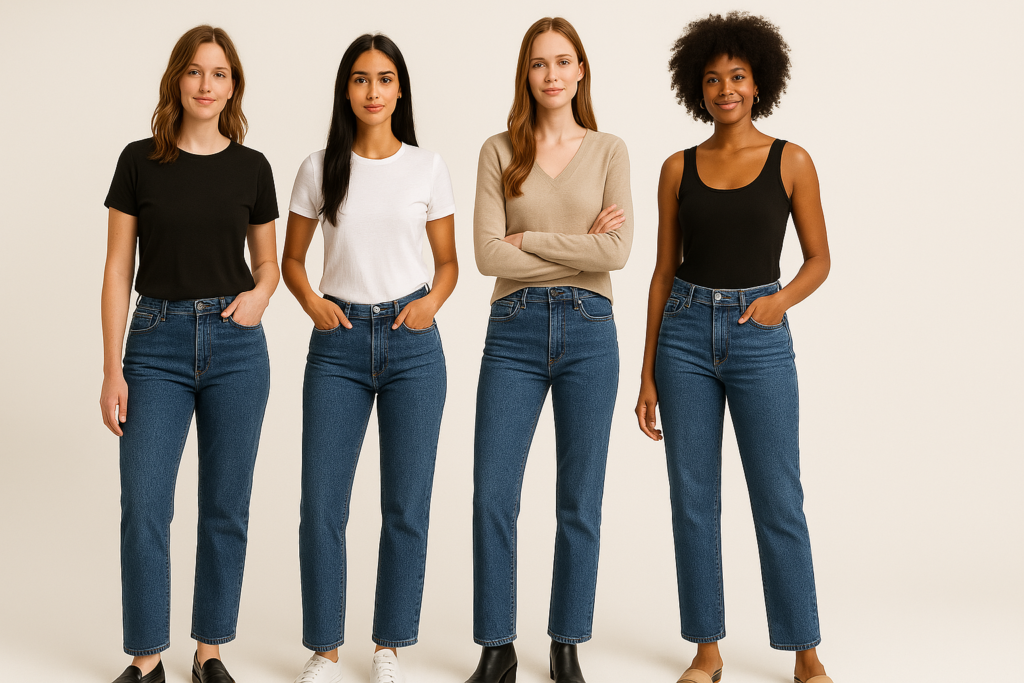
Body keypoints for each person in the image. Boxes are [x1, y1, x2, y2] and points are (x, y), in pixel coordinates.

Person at [634, 11, 834, 683]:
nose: (726, 89)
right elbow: (662, 272)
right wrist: (647, 376)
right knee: (693, 497)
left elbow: (818, 259)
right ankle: (707, 650)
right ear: (697, 87)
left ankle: (806, 651)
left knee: (778, 495)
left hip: (760, 335)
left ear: (759, 83)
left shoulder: (791, 160)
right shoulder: (676, 167)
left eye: (738, 77)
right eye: (713, 78)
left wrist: (779, 301)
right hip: (685, 334)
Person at [100, 25, 279, 683]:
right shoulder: (140, 160)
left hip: (236, 346)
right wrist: (112, 365)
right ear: (178, 78)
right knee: (144, 503)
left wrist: (262, 293)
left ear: (233, 85)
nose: (207, 85)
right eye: (197, 71)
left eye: (221, 73)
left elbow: (268, 263)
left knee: (224, 505)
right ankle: (148, 660)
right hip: (155, 345)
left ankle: (209, 653)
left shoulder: (252, 167)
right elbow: (119, 267)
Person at [282, 33, 457, 683]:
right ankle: (324, 648)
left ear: (400, 89)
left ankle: (388, 646)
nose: (373, 91)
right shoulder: (317, 166)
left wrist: (432, 302)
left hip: (413, 342)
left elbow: (448, 265)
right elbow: (292, 260)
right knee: (322, 503)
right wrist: (310, 302)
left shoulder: (426, 166)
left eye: (384, 79)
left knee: (405, 504)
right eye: (360, 79)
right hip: (338, 342)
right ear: (345, 90)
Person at [466, 17, 633, 683]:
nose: (553, 74)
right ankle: (497, 646)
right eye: (540, 64)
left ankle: (566, 642)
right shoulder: (498, 150)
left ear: (581, 71)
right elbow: (484, 254)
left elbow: (617, 252)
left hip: (592, 331)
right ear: (526, 75)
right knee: (491, 493)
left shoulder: (610, 150)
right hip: (512, 328)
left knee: (579, 496)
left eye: (565, 62)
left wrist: (527, 239)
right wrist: (570, 248)